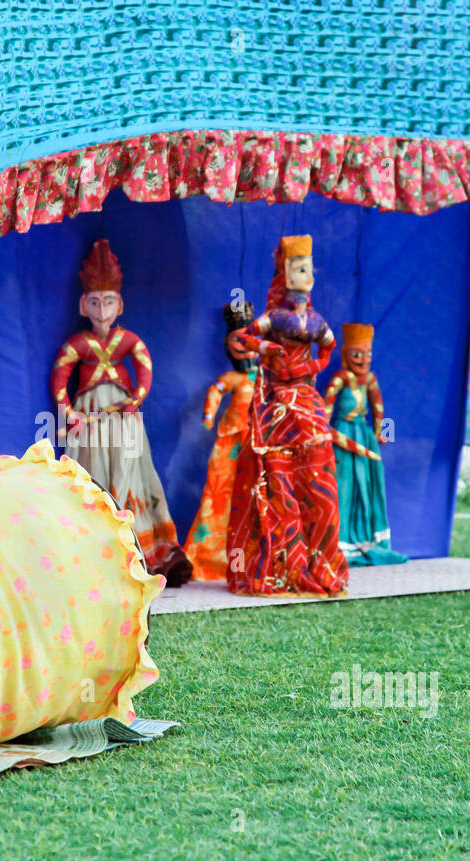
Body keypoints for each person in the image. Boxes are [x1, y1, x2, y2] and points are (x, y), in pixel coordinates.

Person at [49, 239, 192, 586]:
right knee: (91, 469)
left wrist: (137, 398)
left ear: (120, 304)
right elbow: (60, 376)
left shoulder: (128, 339)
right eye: (95, 303)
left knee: (130, 470)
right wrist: (68, 413)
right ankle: (95, 548)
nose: (102, 311)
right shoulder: (77, 345)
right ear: (84, 305)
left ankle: (141, 547)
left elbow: (144, 367)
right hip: (91, 421)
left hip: (124, 419)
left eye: (108, 302)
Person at [225, 235, 348, 596]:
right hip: (277, 403)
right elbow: (243, 338)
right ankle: (284, 561)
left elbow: (328, 349)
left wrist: (311, 365)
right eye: (296, 269)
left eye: (307, 270)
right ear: (285, 272)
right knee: (276, 473)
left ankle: (320, 562)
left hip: (306, 398)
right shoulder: (275, 317)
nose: (303, 276)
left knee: (319, 468)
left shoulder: (315, 319)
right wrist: (267, 347)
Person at [183, 302, 258, 581]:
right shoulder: (233, 378)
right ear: (228, 344)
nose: (245, 344)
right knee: (221, 488)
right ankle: (211, 552)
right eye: (238, 339)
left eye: (250, 338)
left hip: (257, 441)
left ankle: (252, 552)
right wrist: (208, 415)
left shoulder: (265, 377)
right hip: (230, 440)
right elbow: (216, 391)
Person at [323, 323, 408, 566]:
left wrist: (380, 432)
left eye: (368, 353)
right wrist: (331, 432)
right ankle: (340, 542)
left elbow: (378, 406)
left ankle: (370, 540)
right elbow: (324, 411)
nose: (364, 360)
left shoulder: (370, 378)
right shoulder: (341, 378)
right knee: (344, 486)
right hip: (343, 438)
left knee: (370, 487)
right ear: (345, 354)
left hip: (365, 436)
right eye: (357, 354)